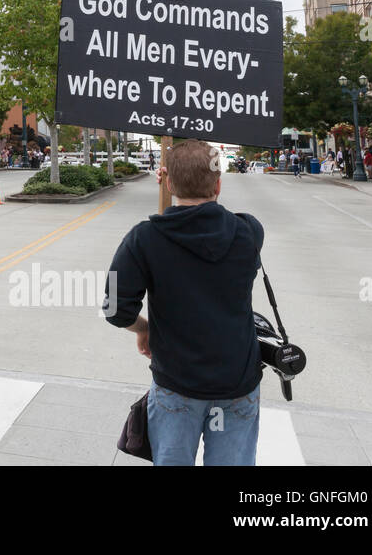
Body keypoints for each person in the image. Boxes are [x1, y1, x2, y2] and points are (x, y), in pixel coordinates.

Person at [102, 139, 264, 466]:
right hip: (238, 384)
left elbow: (114, 308)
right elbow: (208, 219)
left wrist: (143, 328)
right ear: (218, 184)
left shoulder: (144, 239)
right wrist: (189, 183)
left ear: (168, 183)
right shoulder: (249, 232)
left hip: (177, 385)